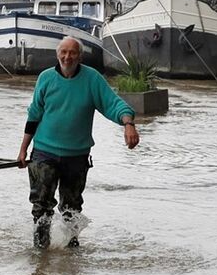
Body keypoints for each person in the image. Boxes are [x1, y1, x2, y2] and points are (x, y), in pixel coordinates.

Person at [16, 37, 139, 249]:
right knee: (41, 207)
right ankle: (41, 254)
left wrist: (128, 123)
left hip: (76, 156)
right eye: (63, 52)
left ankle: (70, 256)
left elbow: (113, 104)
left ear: (80, 56)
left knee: (72, 209)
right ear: (57, 55)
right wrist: (23, 150)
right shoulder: (45, 78)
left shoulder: (92, 79)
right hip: (44, 152)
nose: (67, 57)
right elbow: (34, 115)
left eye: (72, 53)